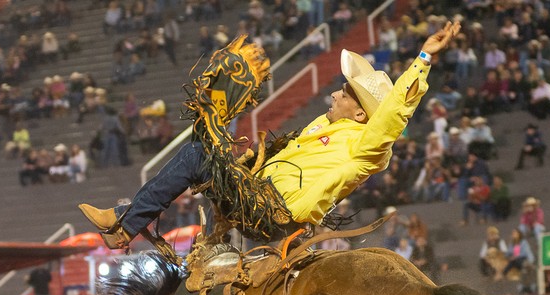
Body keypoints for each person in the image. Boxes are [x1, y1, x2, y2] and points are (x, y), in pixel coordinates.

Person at [77, 22, 462, 248]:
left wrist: (423, 58)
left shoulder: (366, 146)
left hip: (273, 213)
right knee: (210, 159)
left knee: (198, 156)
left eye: (344, 92)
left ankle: (126, 226)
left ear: (362, 112)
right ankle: (202, 249)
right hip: (260, 197)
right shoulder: (325, 129)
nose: (333, 93)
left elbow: (392, 117)